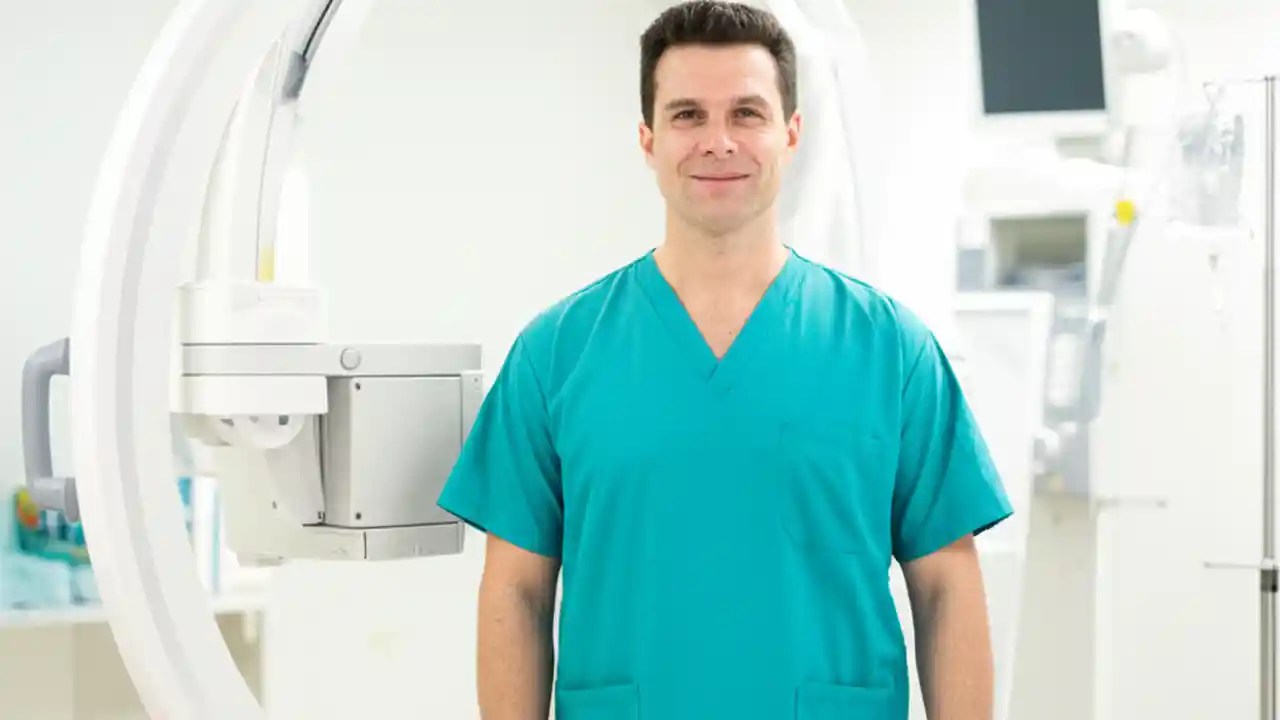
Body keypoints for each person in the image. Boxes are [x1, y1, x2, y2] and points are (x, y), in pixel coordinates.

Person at [436, 2, 1012, 718]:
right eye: (686, 115)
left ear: (791, 134)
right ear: (646, 139)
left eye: (747, 113)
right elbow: (516, 591)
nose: (718, 141)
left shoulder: (890, 349)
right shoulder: (557, 353)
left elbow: (947, 585)